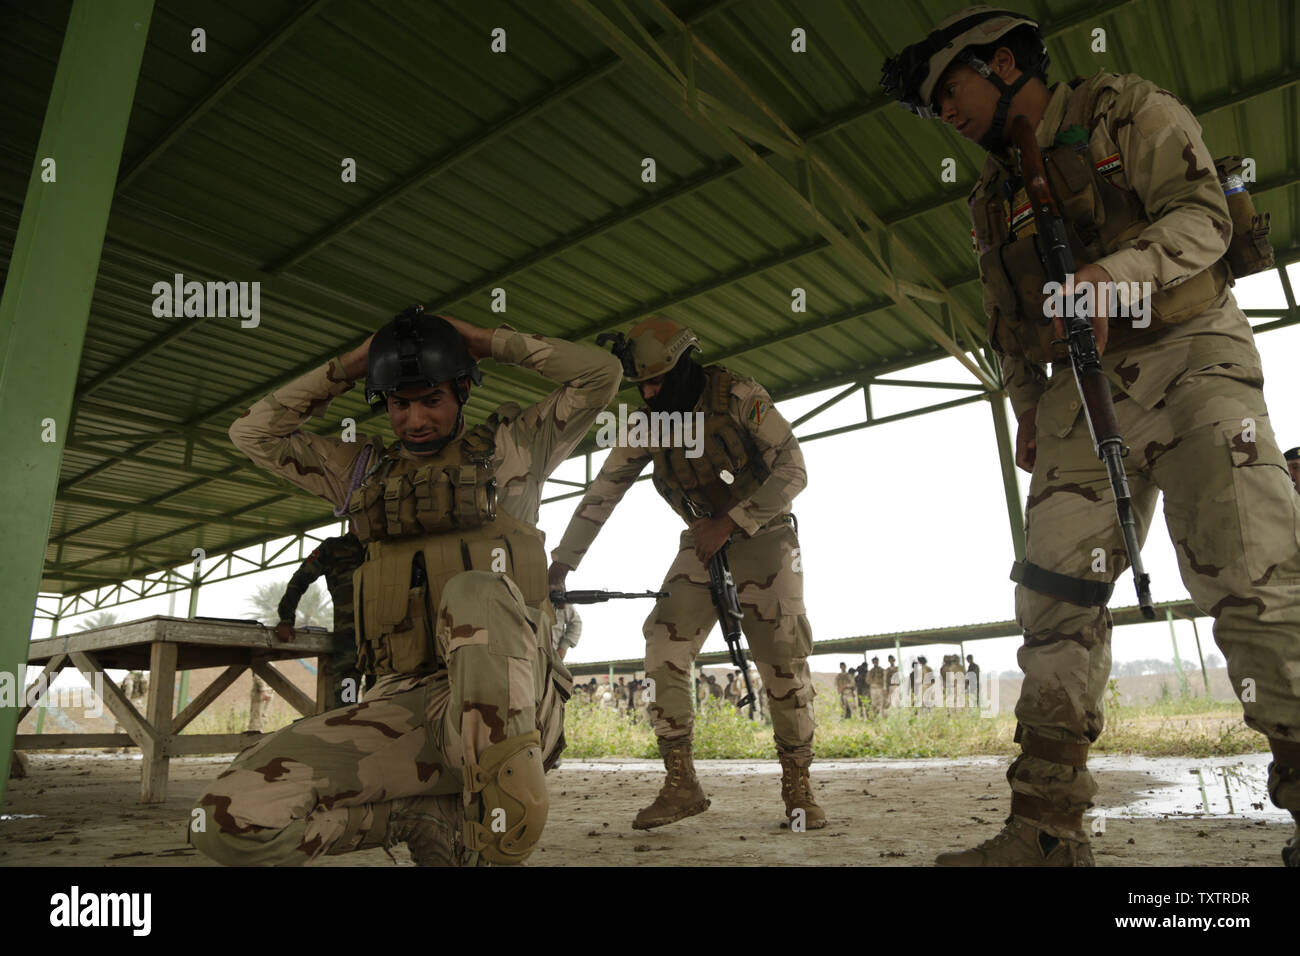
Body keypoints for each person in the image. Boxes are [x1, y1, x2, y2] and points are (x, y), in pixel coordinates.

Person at [883, 7, 1300, 866]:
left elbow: (1202, 219)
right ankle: (1046, 828)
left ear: (1003, 64)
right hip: (1078, 392)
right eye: (932, 108)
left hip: (1193, 363)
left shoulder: (1125, 109)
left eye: (950, 91)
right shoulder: (993, 199)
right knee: (1053, 602)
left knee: (1253, 579)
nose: (946, 115)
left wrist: (1111, 278)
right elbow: (1006, 319)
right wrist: (1028, 406)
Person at [190, 306, 621, 867]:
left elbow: (600, 373)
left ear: (462, 390)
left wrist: (485, 340)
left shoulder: (516, 447)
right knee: (226, 819)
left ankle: (503, 814)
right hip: (404, 705)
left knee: (474, 590)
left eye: (431, 399)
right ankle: (426, 816)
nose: (415, 418)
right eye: (399, 403)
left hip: (512, 699)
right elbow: (251, 431)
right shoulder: (362, 473)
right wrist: (350, 365)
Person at [548, 316, 825, 830]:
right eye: (642, 385)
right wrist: (562, 562)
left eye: (657, 381)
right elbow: (603, 493)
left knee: (783, 661)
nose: (650, 392)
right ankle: (681, 783)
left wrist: (733, 521)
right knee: (663, 641)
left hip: (765, 537)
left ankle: (799, 788)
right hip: (702, 544)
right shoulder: (647, 422)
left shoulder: (740, 395)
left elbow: (794, 470)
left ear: (683, 365)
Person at [276, 532, 366, 708]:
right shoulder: (333, 548)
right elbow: (300, 578)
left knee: (382, 704)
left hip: (386, 643)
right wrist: (286, 618)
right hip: (349, 644)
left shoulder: (387, 545)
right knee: (346, 705)